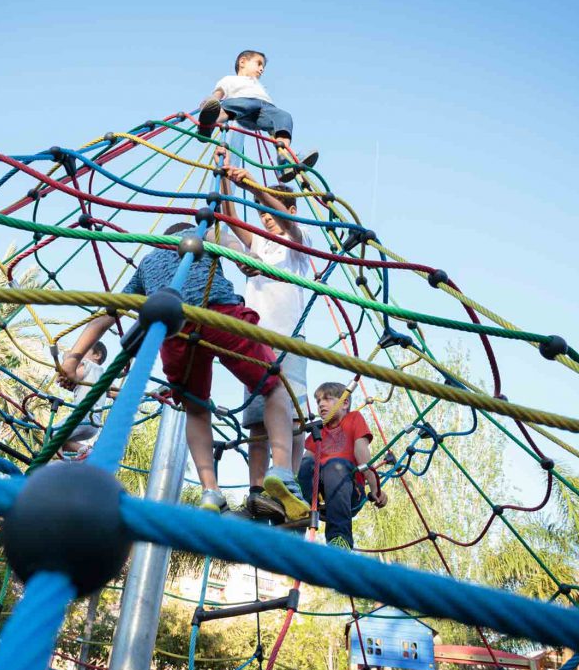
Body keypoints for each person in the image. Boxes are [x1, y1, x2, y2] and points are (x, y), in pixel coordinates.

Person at [57, 221, 294, 514]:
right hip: (219, 314)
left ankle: (210, 491)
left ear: (158, 240)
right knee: (274, 387)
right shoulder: (200, 232)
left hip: (177, 334)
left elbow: (109, 312)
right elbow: (228, 239)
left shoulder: (147, 263)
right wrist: (248, 259)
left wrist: (72, 357)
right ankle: (282, 470)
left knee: (196, 409)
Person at [215, 164, 312, 521]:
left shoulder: (297, 243)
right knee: (257, 421)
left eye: (270, 211)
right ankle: (258, 492)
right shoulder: (260, 244)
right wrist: (225, 177)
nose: (266, 218)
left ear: (288, 211)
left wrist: (256, 187)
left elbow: (289, 227)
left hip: (289, 338)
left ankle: (289, 480)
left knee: (294, 413)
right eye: (261, 213)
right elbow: (234, 222)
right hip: (256, 339)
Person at [274, 382, 387, 547]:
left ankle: (340, 538)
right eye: (319, 401)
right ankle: (296, 527)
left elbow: (361, 452)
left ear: (345, 403)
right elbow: (306, 462)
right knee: (305, 466)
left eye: (327, 399)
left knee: (335, 466)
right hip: (320, 496)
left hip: (350, 490)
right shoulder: (319, 429)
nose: (321, 404)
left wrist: (374, 487)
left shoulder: (353, 418)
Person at [197, 49, 318, 183]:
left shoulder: (259, 85)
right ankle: (208, 123)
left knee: (284, 117)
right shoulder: (229, 79)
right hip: (242, 105)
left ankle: (284, 161)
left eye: (263, 67)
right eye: (258, 64)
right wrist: (210, 102)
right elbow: (218, 94)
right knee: (240, 105)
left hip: (265, 109)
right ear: (242, 62)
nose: (262, 69)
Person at [59, 341, 109, 458]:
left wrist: (68, 357)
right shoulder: (103, 376)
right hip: (93, 423)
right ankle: (86, 451)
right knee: (63, 443)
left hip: (83, 415)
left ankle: (58, 465)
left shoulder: (88, 364)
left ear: (97, 355)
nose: (79, 356)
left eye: (83, 352)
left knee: (50, 433)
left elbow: (72, 373)